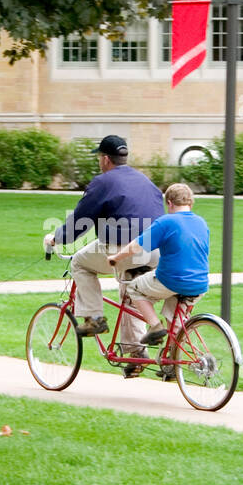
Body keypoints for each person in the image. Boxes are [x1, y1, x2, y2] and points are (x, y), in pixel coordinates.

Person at [43, 134, 163, 345]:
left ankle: (94, 318)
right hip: (156, 249)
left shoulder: (103, 182)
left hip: (123, 248)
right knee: (130, 293)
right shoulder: (145, 180)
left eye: (99, 157)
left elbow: (80, 221)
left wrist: (57, 238)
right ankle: (135, 353)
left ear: (106, 159)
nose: (99, 161)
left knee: (79, 262)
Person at [107, 183, 209, 376]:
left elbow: (137, 246)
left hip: (171, 280)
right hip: (199, 284)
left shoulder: (166, 222)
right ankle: (170, 364)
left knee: (133, 288)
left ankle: (154, 327)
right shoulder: (201, 223)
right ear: (191, 203)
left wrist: (115, 258)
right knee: (175, 319)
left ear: (169, 203)